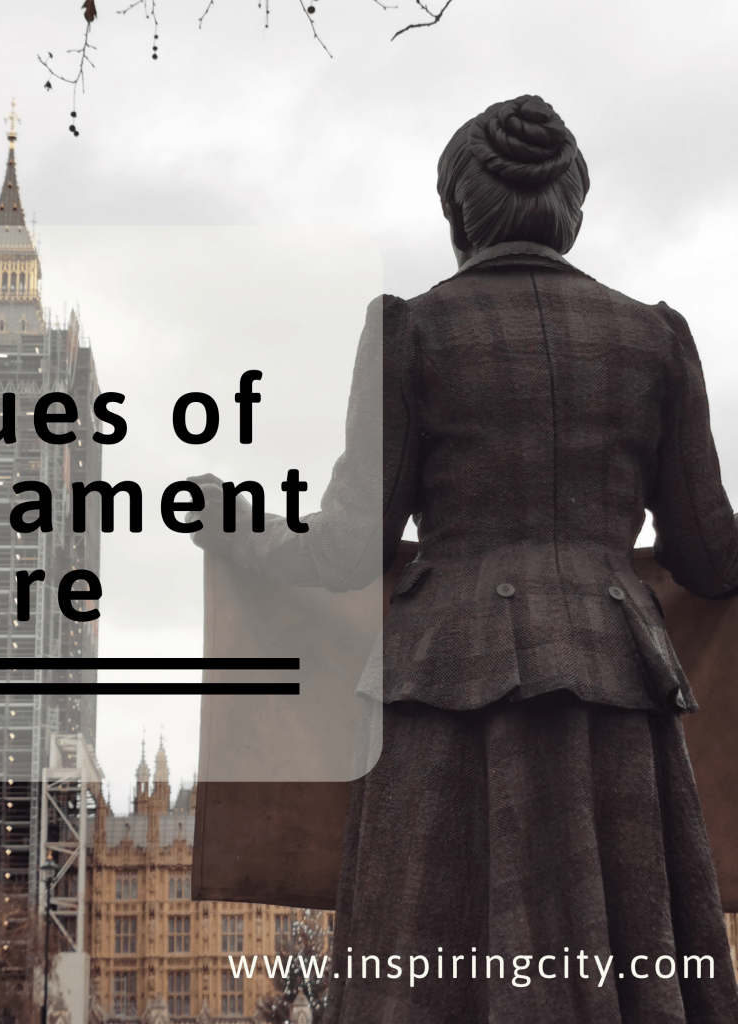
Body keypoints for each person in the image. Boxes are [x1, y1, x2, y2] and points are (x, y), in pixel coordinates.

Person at [190, 95, 738, 1022]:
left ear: (458, 212)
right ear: (573, 207)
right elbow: (712, 553)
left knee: (423, 972)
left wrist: (228, 521)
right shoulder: (655, 337)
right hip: (617, 692)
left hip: (442, 690)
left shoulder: (412, 329)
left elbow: (349, 547)